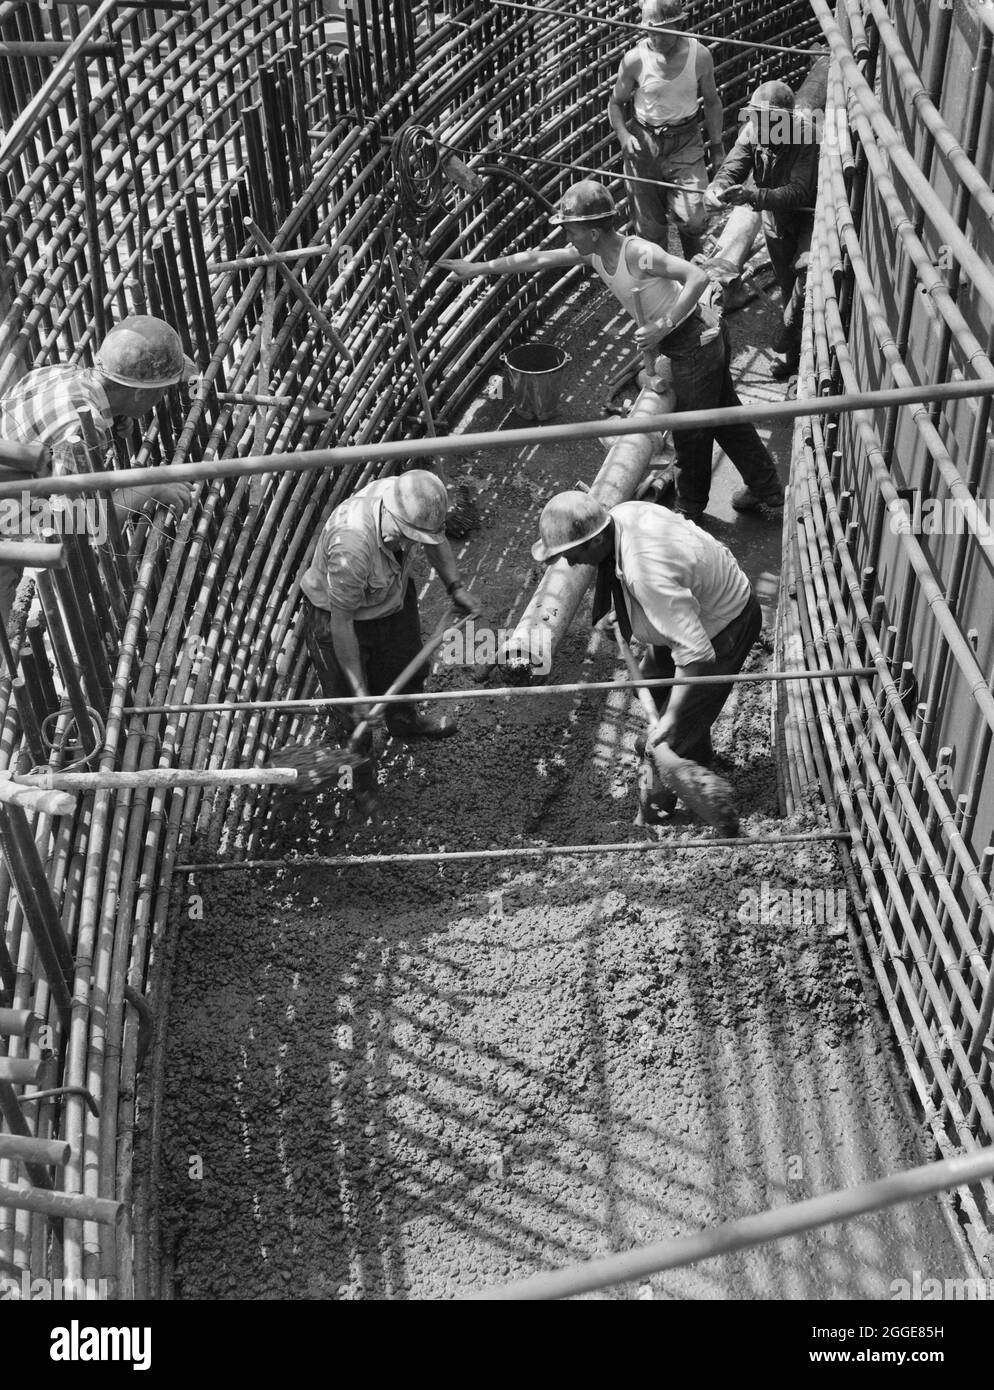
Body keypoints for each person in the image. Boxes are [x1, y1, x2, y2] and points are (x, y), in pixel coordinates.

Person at [439, 179, 783, 519]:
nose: (567, 236)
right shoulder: (593, 255)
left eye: (571, 229)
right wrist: (477, 269)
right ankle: (766, 487)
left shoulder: (638, 253)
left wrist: (664, 325)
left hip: (696, 341)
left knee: (691, 432)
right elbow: (536, 259)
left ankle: (687, 512)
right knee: (726, 417)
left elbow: (696, 277)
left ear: (593, 232)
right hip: (690, 341)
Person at [531, 489, 762, 820]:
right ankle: (693, 752)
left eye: (571, 553)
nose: (569, 562)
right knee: (653, 687)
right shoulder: (621, 516)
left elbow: (695, 654)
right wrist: (623, 613)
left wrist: (671, 719)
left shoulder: (645, 570)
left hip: (723, 629)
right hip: (692, 616)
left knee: (664, 739)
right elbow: (636, 583)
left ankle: (652, 820)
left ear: (595, 541)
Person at [0, 314, 196, 627]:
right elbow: (84, 526)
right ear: (139, 394)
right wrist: (150, 486)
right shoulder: (80, 431)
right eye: (161, 391)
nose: (162, 398)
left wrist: (116, 419)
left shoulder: (63, 372)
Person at [300, 469, 480, 748]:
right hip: (339, 617)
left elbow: (435, 540)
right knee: (353, 708)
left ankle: (404, 723)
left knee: (405, 669)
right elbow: (341, 623)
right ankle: (361, 781)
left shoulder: (412, 500)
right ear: (391, 516)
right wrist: (360, 693)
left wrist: (455, 587)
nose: (412, 544)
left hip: (390, 598)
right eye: (406, 535)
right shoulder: (351, 546)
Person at [706, 80, 817, 380]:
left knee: (805, 283)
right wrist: (717, 189)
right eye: (759, 119)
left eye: (771, 121)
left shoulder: (807, 135)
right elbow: (732, 168)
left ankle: (792, 337)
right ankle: (794, 356)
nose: (764, 126)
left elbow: (800, 192)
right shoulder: (753, 131)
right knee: (785, 283)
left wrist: (754, 197)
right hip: (775, 221)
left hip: (809, 221)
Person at [608, 0, 724, 260]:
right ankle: (662, 286)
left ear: (678, 25)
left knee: (695, 218)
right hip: (644, 142)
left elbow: (713, 102)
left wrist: (717, 148)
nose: (656, 38)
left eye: (662, 31)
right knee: (649, 229)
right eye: (651, 32)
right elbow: (615, 104)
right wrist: (624, 136)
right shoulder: (635, 60)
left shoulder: (700, 56)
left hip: (685, 140)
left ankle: (695, 267)